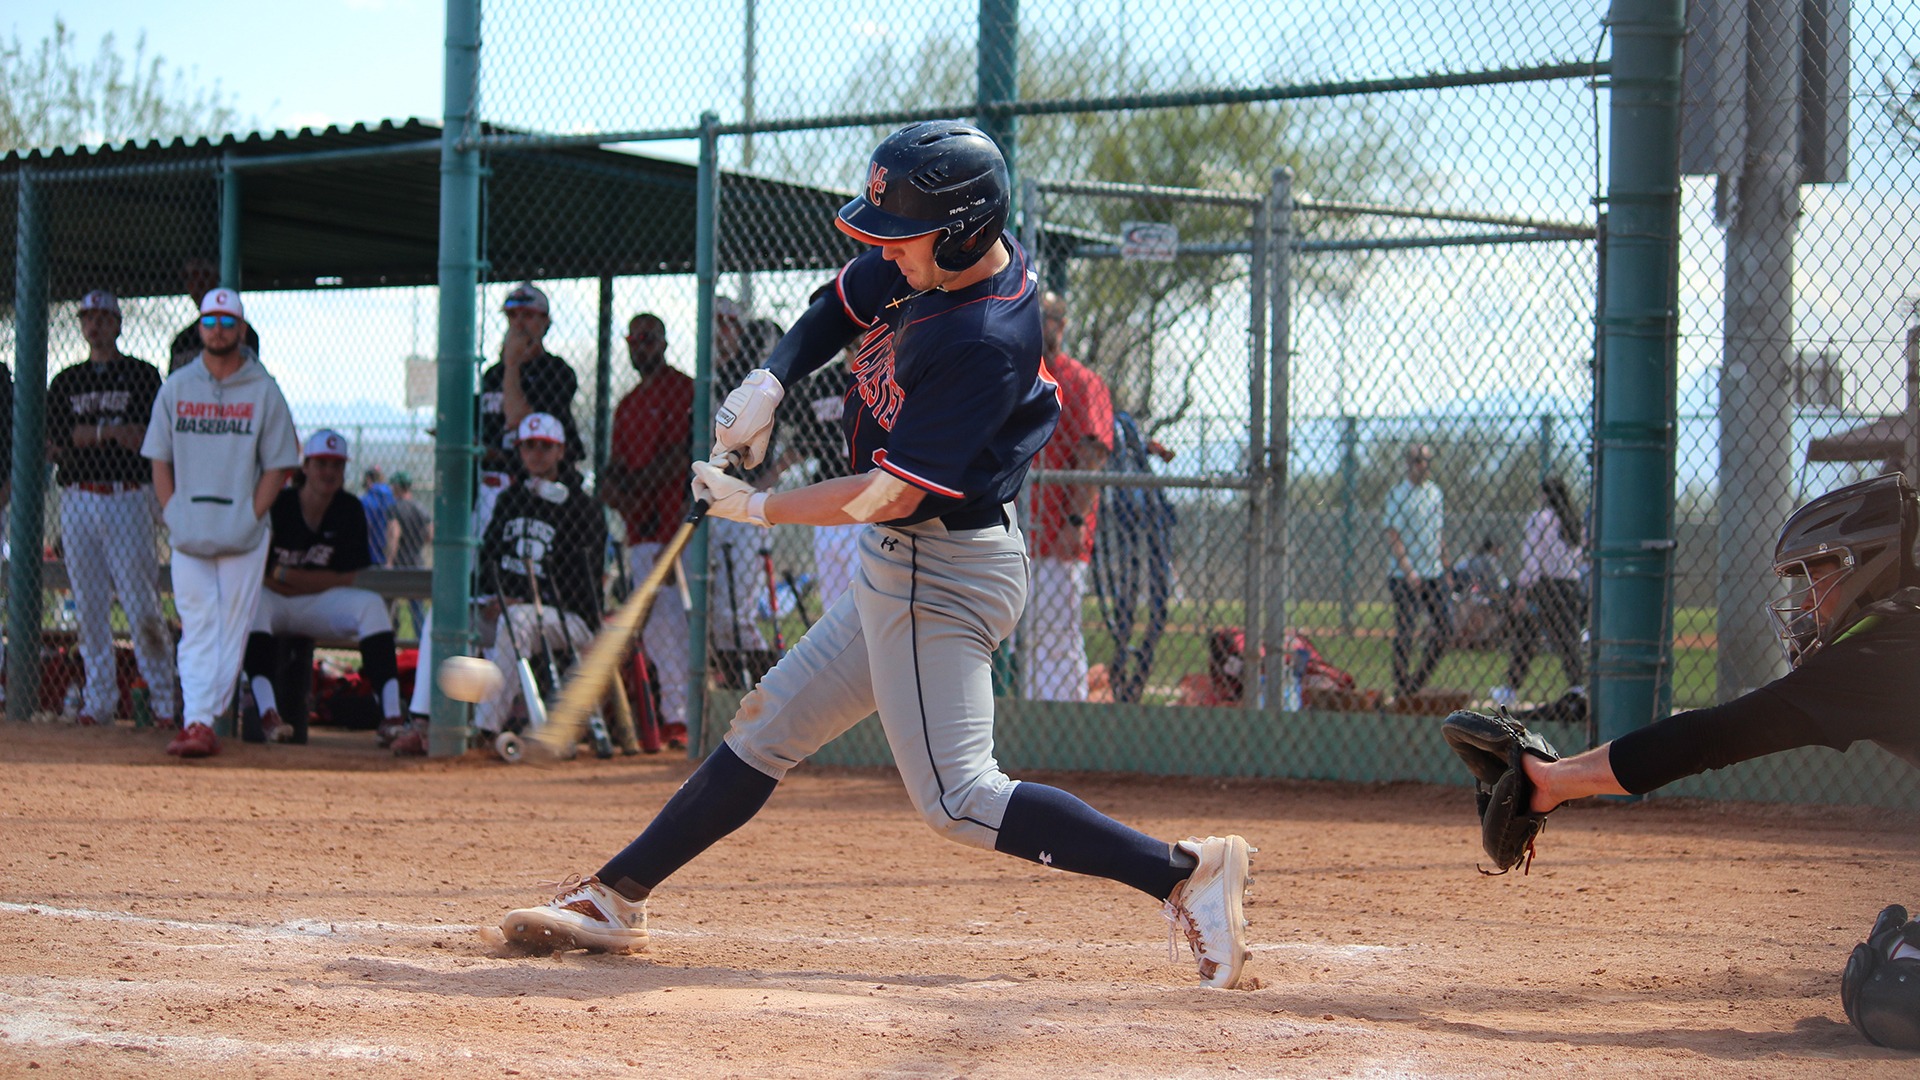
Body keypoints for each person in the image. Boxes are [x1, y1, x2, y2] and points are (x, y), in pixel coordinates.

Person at [496, 121, 1255, 989]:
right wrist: (771, 380)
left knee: (959, 797)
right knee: (770, 723)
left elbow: (892, 494)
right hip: (907, 564)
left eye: (903, 239)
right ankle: (616, 896)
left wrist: (761, 506)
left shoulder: (986, 337)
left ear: (965, 230)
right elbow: (837, 304)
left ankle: (1186, 875)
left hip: (942, 568)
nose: (887, 254)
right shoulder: (929, 258)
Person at [1498, 473, 1920, 1048]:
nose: (1804, 604)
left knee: (1892, 990)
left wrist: (1551, 781)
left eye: (1819, 578)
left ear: (1870, 565)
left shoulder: (1880, 655)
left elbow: (1712, 737)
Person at [143, 287, 299, 758]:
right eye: (210, 322)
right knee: (198, 625)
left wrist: (252, 515)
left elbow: (279, 464)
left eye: (227, 323)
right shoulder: (176, 387)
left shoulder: (263, 389)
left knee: (230, 629)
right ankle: (198, 722)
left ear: (242, 330)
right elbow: (159, 458)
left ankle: (202, 720)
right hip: (190, 530)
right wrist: (173, 513)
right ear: (200, 328)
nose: (217, 330)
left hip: (243, 534)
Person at [47, 290, 178, 727]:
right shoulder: (66, 381)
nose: (95, 325)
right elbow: (58, 444)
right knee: (88, 604)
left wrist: (90, 435)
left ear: (119, 324)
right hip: (78, 497)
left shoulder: (142, 376)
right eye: (88, 317)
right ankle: (98, 701)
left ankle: (162, 701)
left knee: (142, 603)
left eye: (104, 317)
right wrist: (110, 431)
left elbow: (147, 437)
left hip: (128, 495)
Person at [242, 430, 407, 747]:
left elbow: (346, 578)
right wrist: (285, 579)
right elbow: (255, 572)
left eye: (337, 465)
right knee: (254, 601)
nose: (329, 472)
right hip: (273, 601)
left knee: (371, 605)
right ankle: (267, 714)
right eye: (322, 464)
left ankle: (390, 716)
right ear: (306, 467)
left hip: (318, 604)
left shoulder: (349, 509)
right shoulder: (280, 503)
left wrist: (285, 574)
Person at [462, 413, 607, 743]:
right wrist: (494, 597)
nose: (536, 453)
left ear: (560, 451)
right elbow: (489, 561)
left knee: (516, 619)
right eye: (529, 446)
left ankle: (486, 728)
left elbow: (580, 582)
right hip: (509, 610)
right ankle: (429, 719)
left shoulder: (583, 508)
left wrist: (521, 600)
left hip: (570, 617)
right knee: (449, 619)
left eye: (545, 446)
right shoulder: (510, 500)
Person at [601, 312, 695, 742]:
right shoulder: (627, 404)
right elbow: (612, 474)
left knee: (678, 622)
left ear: (664, 342)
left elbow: (679, 458)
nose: (641, 347)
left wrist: (634, 489)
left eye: (648, 339)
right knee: (657, 628)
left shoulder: (684, 389)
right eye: (634, 340)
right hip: (641, 531)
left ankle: (686, 714)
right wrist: (626, 494)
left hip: (681, 524)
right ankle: (674, 717)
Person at [1022, 289, 1113, 702]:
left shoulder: (1081, 382)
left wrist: (1075, 522)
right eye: (1037, 316)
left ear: (1062, 324)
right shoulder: (1020, 375)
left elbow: (1090, 457)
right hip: (1018, 533)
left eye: (1050, 317)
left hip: (1058, 534)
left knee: (1056, 636)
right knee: (1027, 639)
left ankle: (1062, 717)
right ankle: (1034, 715)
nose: (1043, 325)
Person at [1492, 477, 1586, 706]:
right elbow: (1580, 557)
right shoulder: (1572, 521)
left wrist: (1523, 590)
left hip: (1546, 585)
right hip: (1571, 584)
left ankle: (1511, 689)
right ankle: (1578, 686)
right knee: (1567, 639)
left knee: (1527, 634)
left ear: (1545, 495)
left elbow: (1533, 560)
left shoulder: (1540, 519)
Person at [1382, 443, 1449, 700]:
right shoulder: (1398, 494)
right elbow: (1393, 535)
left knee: (1446, 629)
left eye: (1427, 461)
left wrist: (1446, 564)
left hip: (1433, 572)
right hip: (1404, 574)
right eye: (1419, 461)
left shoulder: (1434, 493)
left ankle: (1415, 682)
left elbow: (1438, 532)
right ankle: (1401, 686)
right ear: (1409, 464)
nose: (1424, 466)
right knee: (1406, 630)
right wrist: (1408, 570)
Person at [169, 259, 259, 373]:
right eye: (191, 278)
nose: (198, 284)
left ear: (217, 279)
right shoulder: (182, 340)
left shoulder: (246, 334)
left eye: (205, 275)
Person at [385, 471, 433, 640]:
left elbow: (394, 534)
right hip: (416, 561)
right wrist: (416, 541)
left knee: (391, 606)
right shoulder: (420, 507)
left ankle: (390, 639)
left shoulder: (395, 508)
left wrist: (389, 560)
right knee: (417, 609)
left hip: (400, 563)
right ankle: (422, 642)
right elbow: (430, 535)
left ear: (398, 487)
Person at [360, 466, 397, 567]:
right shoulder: (391, 499)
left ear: (368, 480)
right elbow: (393, 530)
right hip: (387, 555)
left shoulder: (364, 501)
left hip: (367, 555)